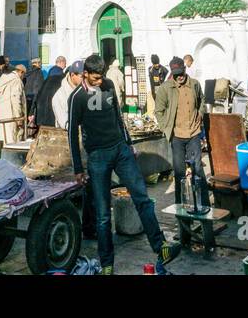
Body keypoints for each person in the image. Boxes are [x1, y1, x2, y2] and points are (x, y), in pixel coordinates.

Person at [68, 54, 175, 274]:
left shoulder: (108, 86)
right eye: (96, 78)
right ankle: (107, 264)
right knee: (103, 215)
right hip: (97, 157)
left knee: (142, 198)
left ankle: (160, 246)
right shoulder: (76, 97)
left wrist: (129, 144)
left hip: (120, 150)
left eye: (101, 77)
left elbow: (119, 117)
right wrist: (78, 168)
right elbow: (71, 134)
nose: (100, 81)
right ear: (86, 74)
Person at [155, 57, 204, 204]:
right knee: (180, 173)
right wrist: (166, 128)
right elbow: (159, 111)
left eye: (181, 72)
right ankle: (181, 208)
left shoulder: (195, 84)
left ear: (185, 69)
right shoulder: (165, 88)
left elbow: (202, 100)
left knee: (198, 171)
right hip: (177, 136)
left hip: (194, 133)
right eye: (176, 74)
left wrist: (200, 114)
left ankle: (203, 205)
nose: (179, 76)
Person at [0, 64, 28, 143]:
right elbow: (16, 100)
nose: (23, 77)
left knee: (3, 139)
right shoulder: (16, 81)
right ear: (21, 72)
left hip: (0, 116)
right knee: (12, 141)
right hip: (12, 117)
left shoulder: (2, 79)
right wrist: (19, 118)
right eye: (24, 75)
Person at [34, 57, 67, 128]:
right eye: (65, 63)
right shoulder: (61, 76)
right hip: (53, 110)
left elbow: (38, 93)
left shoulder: (49, 73)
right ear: (61, 62)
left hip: (42, 111)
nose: (65, 66)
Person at [53, 60, 83, 131]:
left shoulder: (87, 90)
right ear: (72, 75)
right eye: (82, 76)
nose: (85, 79)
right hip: (67, 137)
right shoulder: (59, 95)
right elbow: (65, 122)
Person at [24, 57, 45, 126]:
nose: (41, 65)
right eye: (40, 63)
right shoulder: (39, 73)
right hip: (34, 102)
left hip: (26, 101)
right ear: (37, 63)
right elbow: (38, 91)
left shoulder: (27, 73)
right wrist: (32, 111)